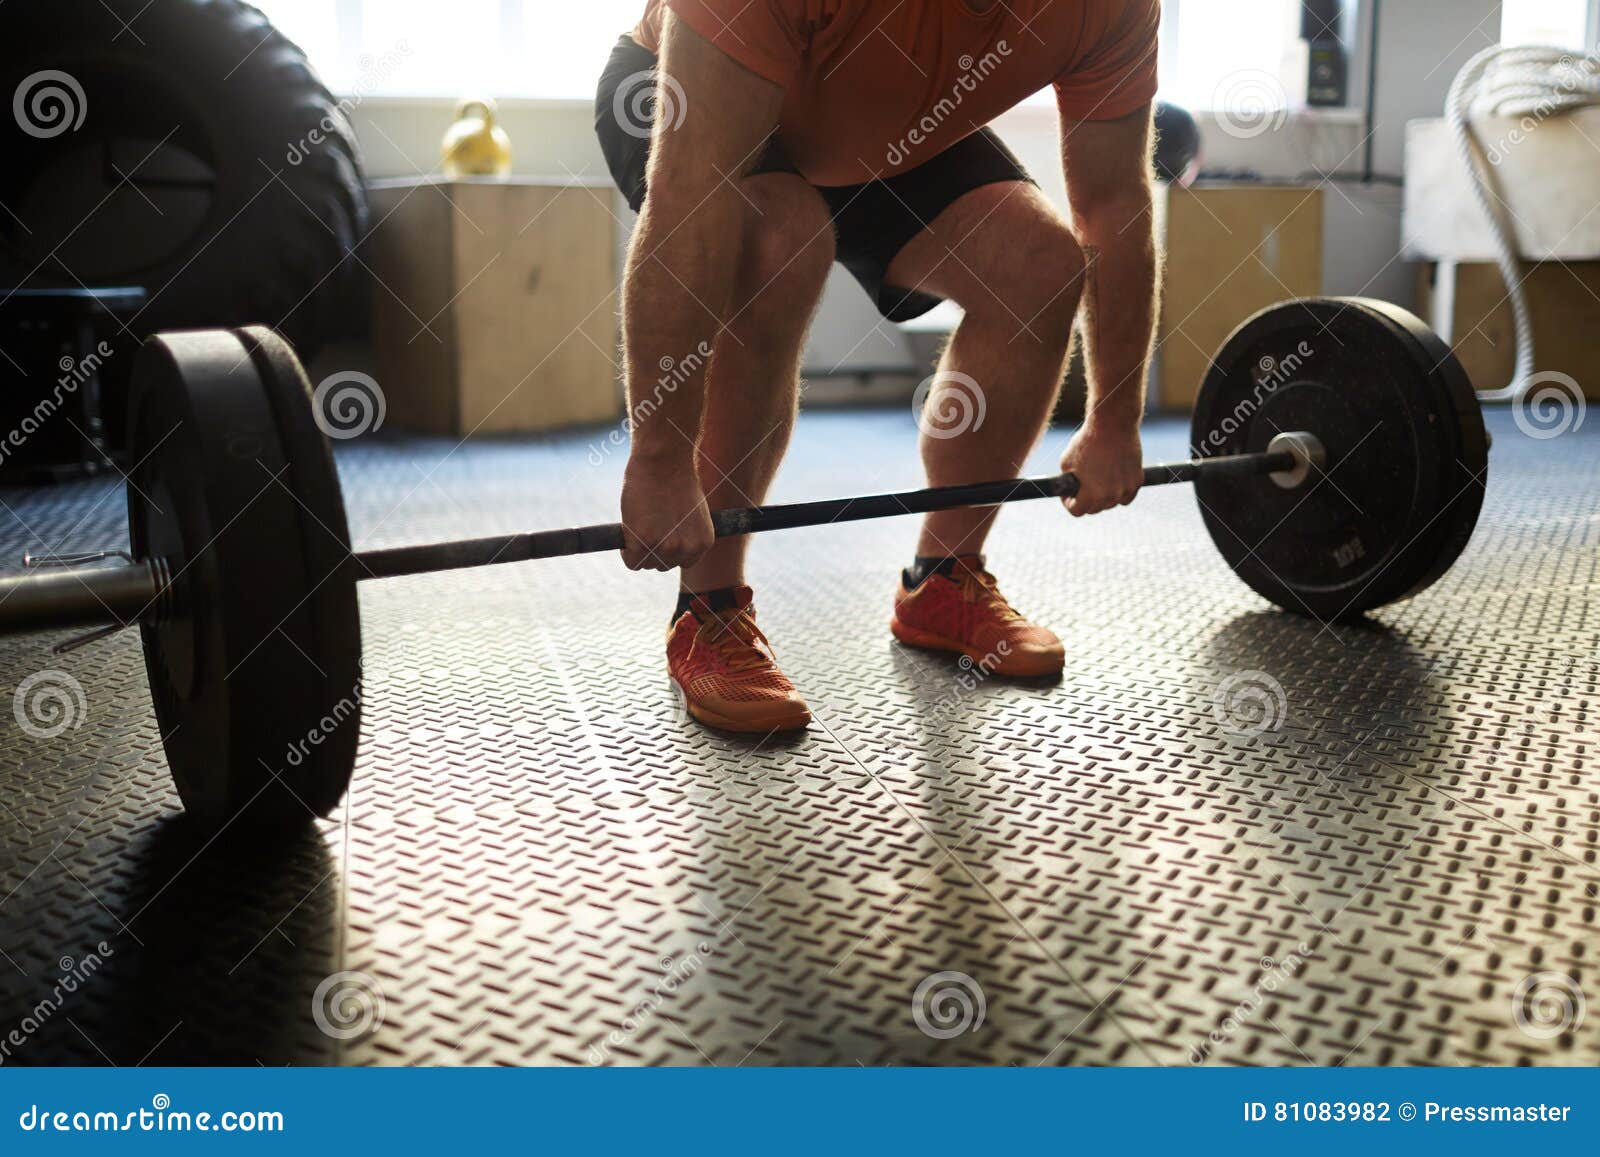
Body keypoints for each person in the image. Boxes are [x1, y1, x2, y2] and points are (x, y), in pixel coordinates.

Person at [594, 0, 1160, 733]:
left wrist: (1114, 419)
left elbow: (1114, 206)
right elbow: (690, 193)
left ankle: (944, 578)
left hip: (884, 114)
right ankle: (710, 608)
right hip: (690, 83)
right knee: (778, 238)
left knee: (1039, 265)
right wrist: (660, 458)